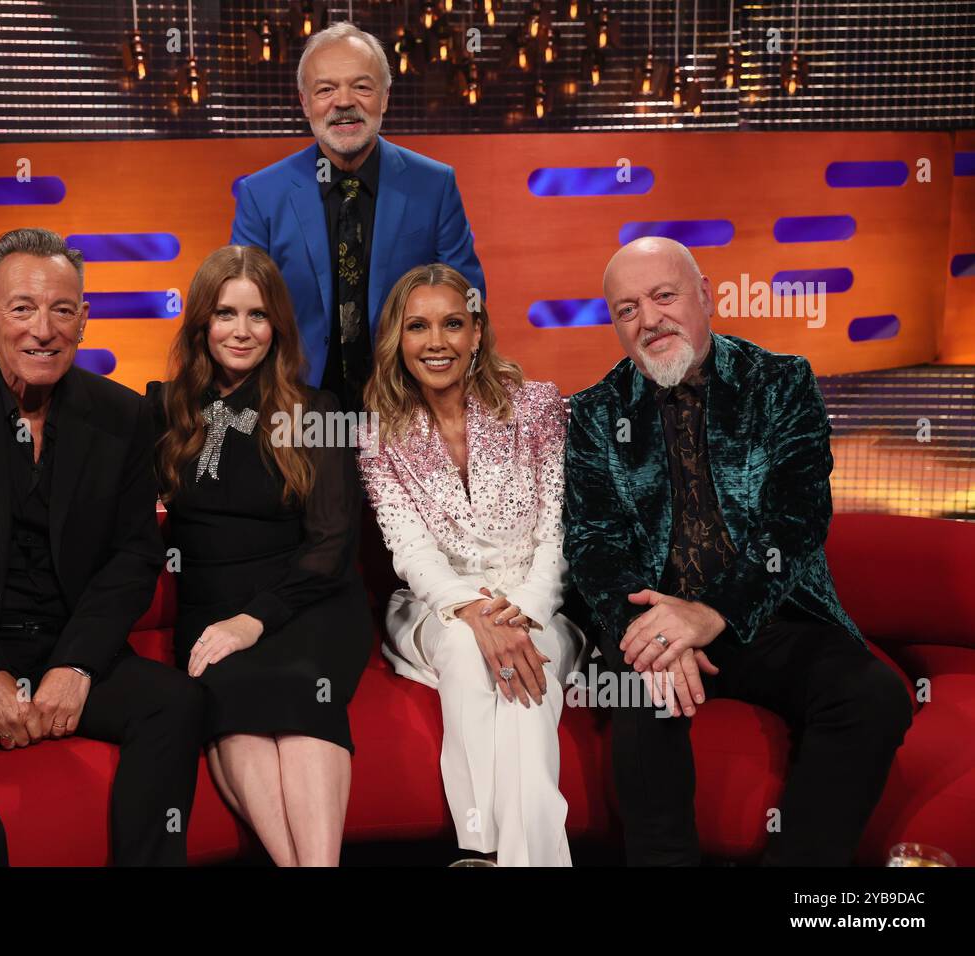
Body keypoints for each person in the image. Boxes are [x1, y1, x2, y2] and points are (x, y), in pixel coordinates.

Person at [563, 236, 913, 866]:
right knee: (639, 690)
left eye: (663, 296)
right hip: (651, 623)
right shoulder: (592, 414)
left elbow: (796, 519)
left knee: (873, 694)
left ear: (708, 297)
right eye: (626, 310)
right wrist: (653, 631)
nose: (648, 320)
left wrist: (712, 613)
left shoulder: (780, 383)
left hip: (770, 618)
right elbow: (593, 544)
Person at [0, 227, 205, 866]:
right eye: (22, 309)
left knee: (174, 704)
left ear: (84, 320)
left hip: (60, 642)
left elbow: (134, 558)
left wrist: (76, 666)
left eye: (62, 310)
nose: (41, 330)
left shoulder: (124, 417)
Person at [144, 244, 372, 866]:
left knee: (302, 692)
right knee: (232, 697)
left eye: (257, 315)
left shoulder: (316, 411)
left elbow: (331, 546)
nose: (241, 332)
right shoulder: (165, 409)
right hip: (212, 605)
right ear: (201, 324)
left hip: (306, 602)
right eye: (225, 314)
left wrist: (254, 622)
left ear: (278, 327)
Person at [357, 263, 583, 866]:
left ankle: (481, 856)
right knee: (464, 648)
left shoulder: (537, 408)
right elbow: (410, 549)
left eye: (453, 324)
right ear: (397, 341)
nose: (437, 342)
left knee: (522, 673)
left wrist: (525, 612)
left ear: (477, 332)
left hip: (536, 604)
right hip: (439, 609)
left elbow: (558, 533)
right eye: (418, 327)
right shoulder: (380, 431)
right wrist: (472, 608)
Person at [231, 21, 484, 413]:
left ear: (384, 98)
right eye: (326, 89)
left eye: (361, 87)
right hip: (295, 407)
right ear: (305, 102)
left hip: (410, 404)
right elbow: (241, 310)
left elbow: (469, 297)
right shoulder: (262, 194)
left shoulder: (434, 184)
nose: (343, 101)